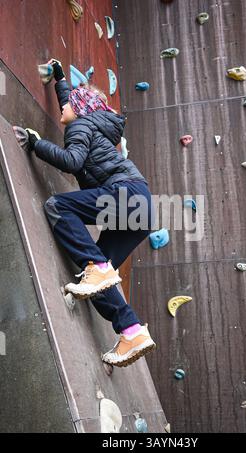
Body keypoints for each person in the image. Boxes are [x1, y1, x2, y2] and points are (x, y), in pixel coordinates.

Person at [25, 59, 156, 367]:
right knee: (98, 282)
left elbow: (71, 161)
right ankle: (132, 332)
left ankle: (96, 266)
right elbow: (72, 102)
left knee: (57, 206)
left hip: (125, 195)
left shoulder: (80, 125)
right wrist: (59, 79)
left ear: (80, 109)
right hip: (143, 206)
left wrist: (36, 143)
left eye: (68, 104)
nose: (63, 109)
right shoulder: (91, 123)